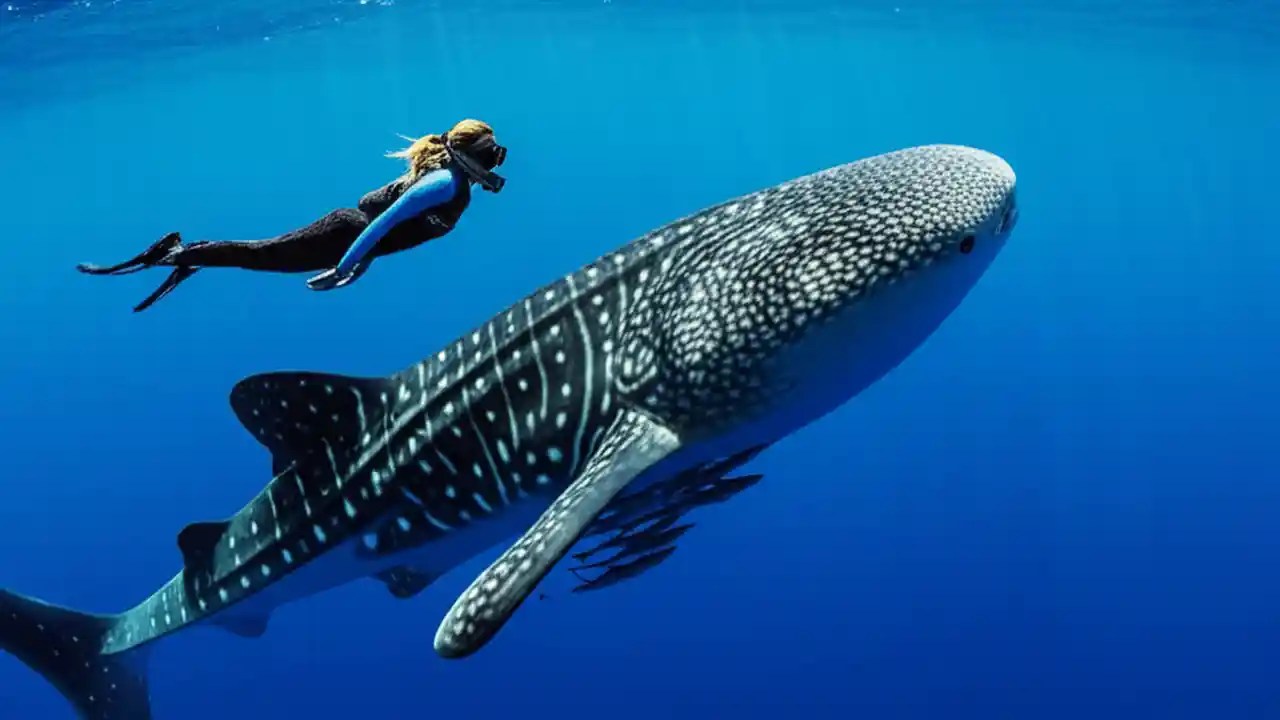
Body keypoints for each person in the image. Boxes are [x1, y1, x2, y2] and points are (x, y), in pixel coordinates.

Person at [77, 118, 507, 312]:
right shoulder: (445, 184)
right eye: (489, 155)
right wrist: (346, 266)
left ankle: (190, 256)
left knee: (261, 256)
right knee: (261, 254)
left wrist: (358, 265)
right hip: (344, 233)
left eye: (496, 154)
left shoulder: (456, 185)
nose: (494, 163)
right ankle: (174, 254)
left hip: (351, 237)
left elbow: (393, 235)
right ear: (465, 154)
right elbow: (385, 222)